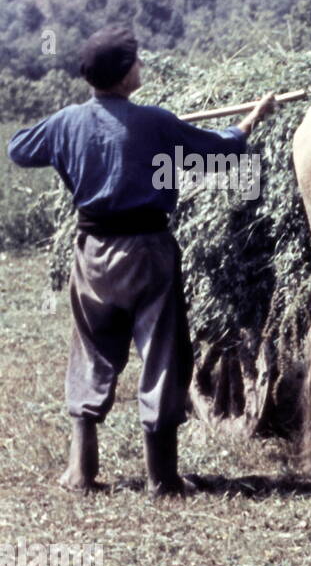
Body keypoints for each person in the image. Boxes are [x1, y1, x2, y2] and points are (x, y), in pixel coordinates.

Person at [7, 25, 276, 496]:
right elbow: (221, 150)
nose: (141, 67)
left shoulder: (73, 120)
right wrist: (253, 117)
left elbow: (19, 148)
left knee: (92, 350)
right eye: (136, 61)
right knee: (163, 354)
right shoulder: (155, 122)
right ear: (124, 73)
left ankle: (81, 473)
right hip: (147, 252)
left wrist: (75, 125)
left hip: (91, 254)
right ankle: (163, 479)